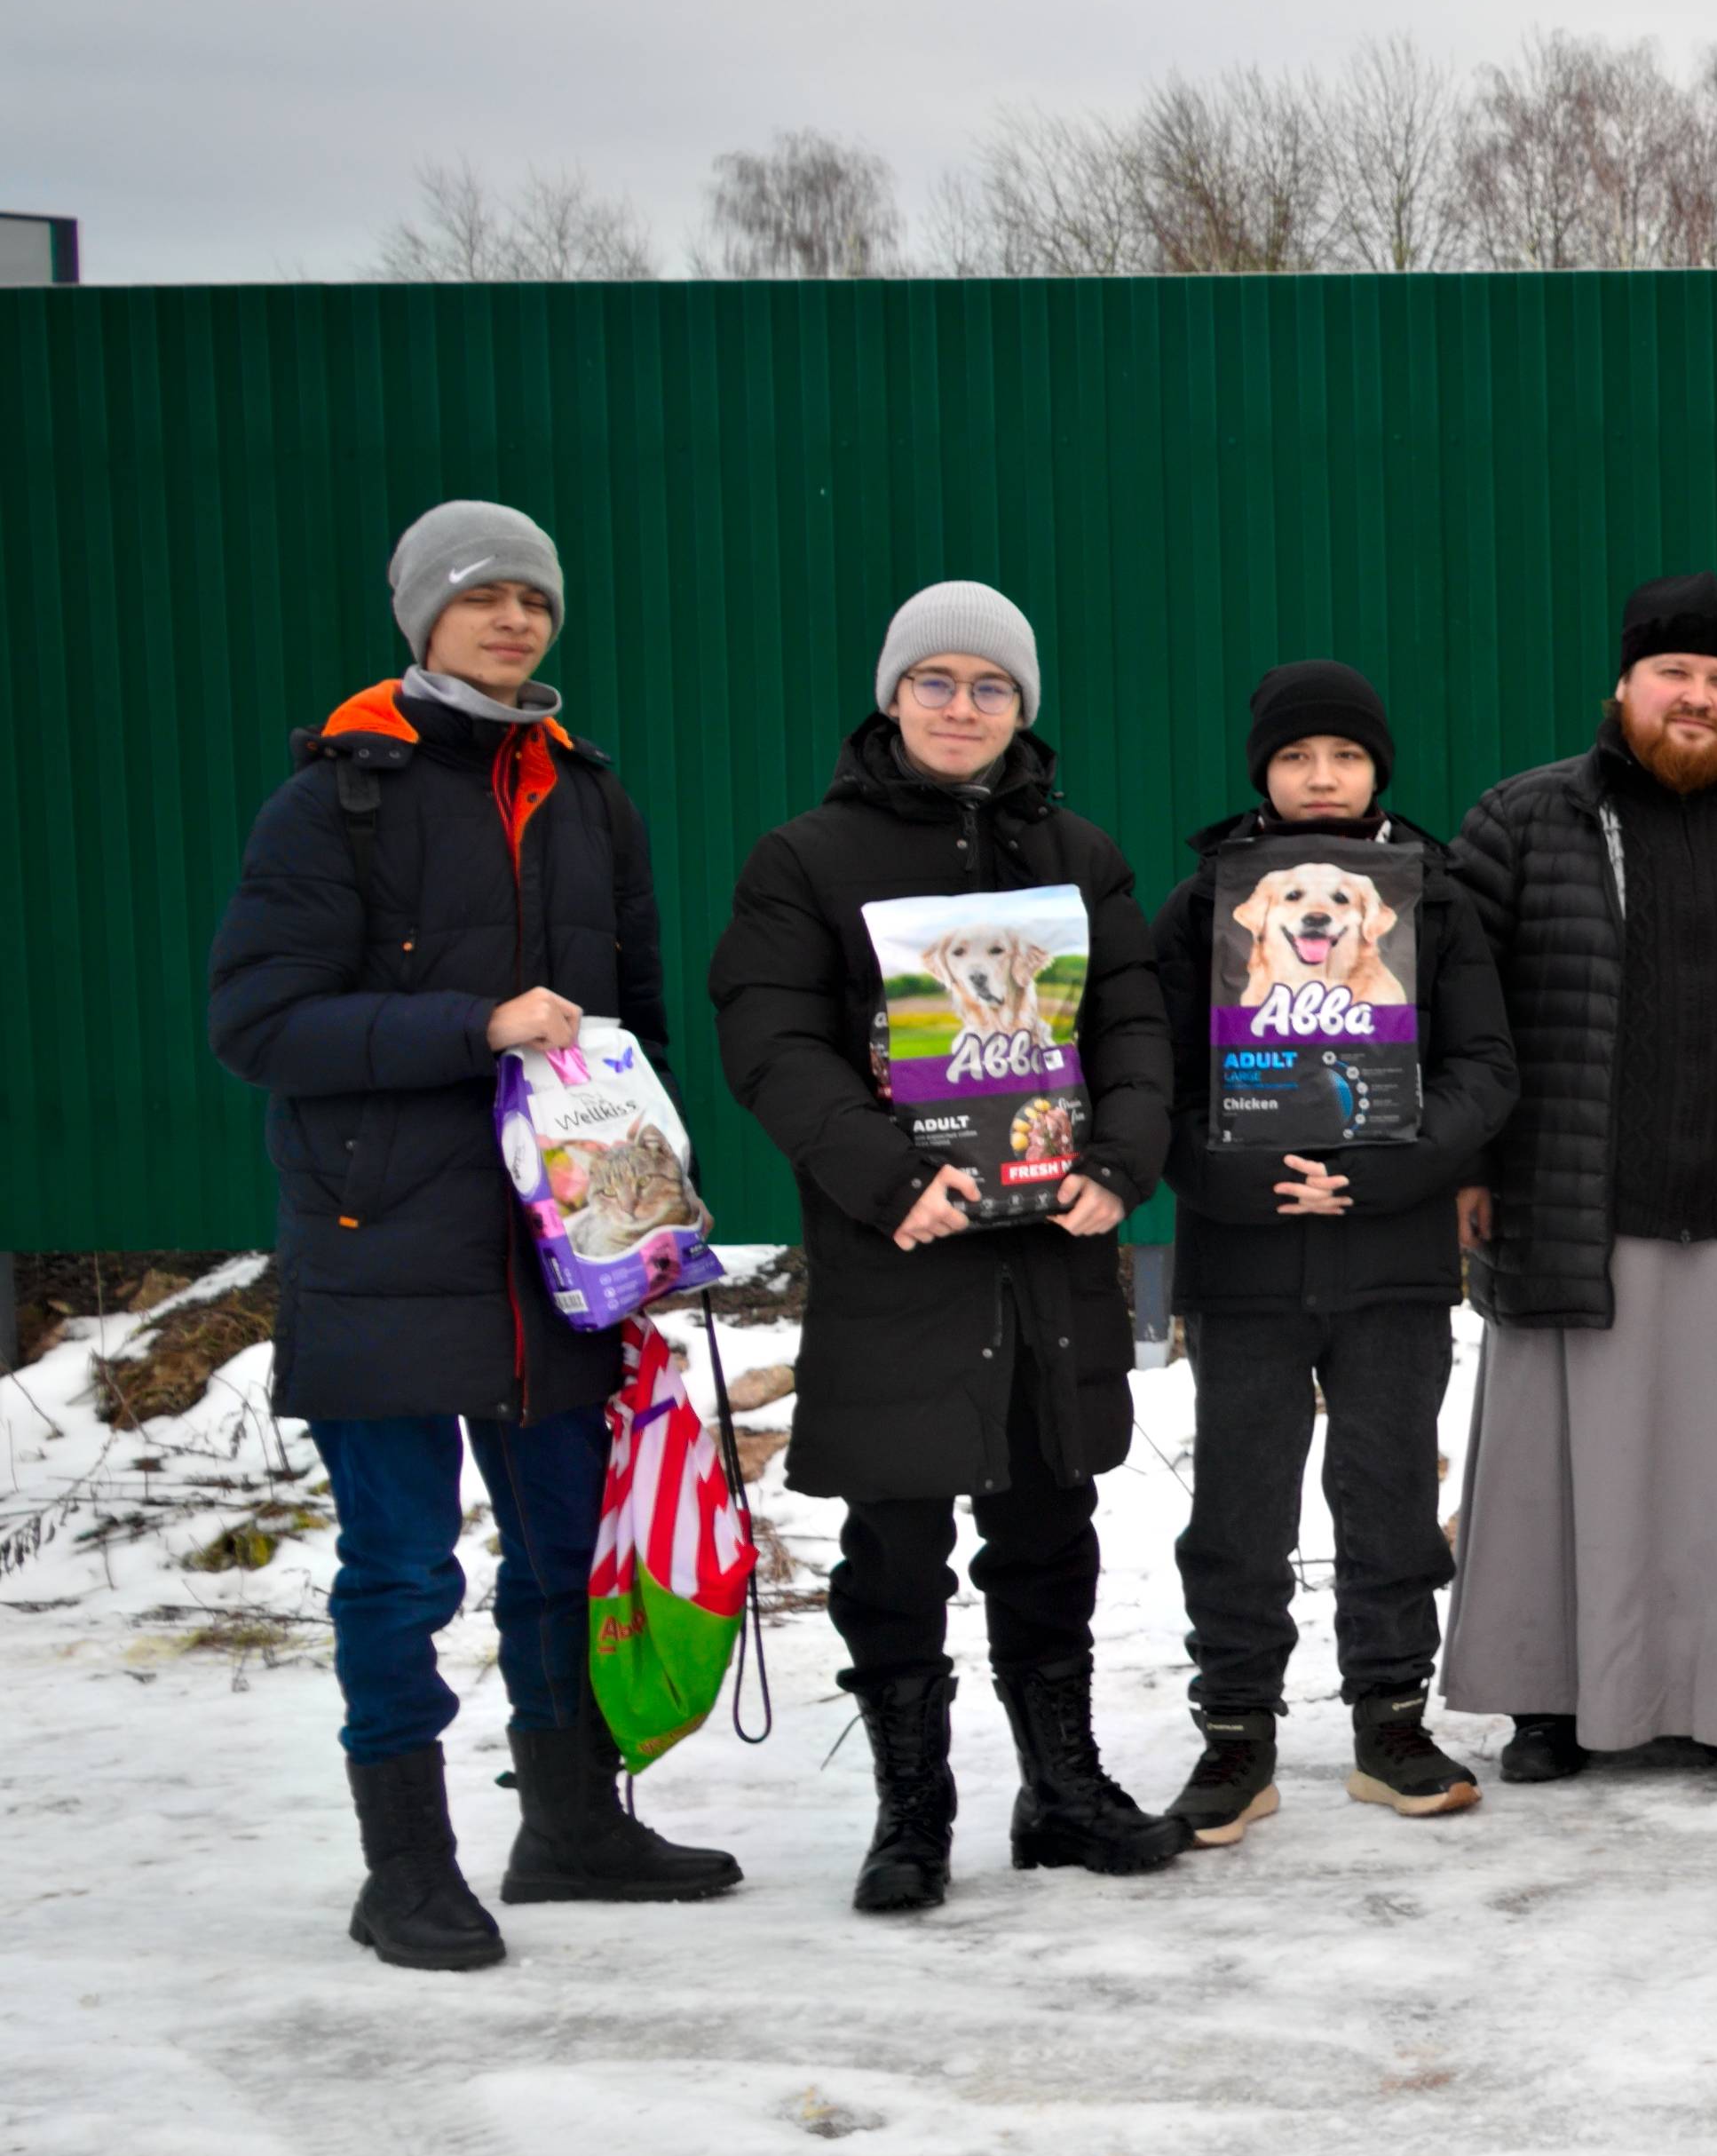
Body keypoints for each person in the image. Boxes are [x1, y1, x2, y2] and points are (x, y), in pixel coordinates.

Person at [206, 499, 740, 1970]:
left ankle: (569, 1823)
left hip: (558, 1252)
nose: (514, 618)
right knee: (401, 1569)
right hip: (381, 1241)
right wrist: (472, 1024)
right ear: (422, 615)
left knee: (563, 1547)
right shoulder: (336, 798)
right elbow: (259, 1022)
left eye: (535, 599)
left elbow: (632, 1015)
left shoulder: (587, 793)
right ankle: (406, 1865)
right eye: (482, 595)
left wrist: (654, 1199)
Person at [712, 580, 1189, 1911]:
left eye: (991, 686)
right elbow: (771, 1039)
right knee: (895, 1538)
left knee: (1050, 1523)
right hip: (901, 1249)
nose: (962, 706)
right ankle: (911, 1810)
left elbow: (1131, 1026)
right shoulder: (806, 858)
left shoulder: (1080, 855)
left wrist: (1120, 1163)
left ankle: (1063, 1790)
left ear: (1021, 707)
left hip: (1049, 1247)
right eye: (936, 680)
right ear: (894, 694)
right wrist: (885, 1179)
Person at [1443, 574, 1717, 1780]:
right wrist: (1468, 1160)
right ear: (1623, 686)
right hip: (1571, 1209)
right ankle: (1545, 1700)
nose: (1697, 697)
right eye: (1673, 674)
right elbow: (1460, 1011)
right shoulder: (1521, 822)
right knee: (1555, 1481)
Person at [1149, 660, 1520, 1839]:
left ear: (1378, 770)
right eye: (1298, 755)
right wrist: (1238, 1179)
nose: (1323, 776)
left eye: (1347, 755)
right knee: (1238, 1502)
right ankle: (1235, 1734)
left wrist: (1388, 1171)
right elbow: (1153, 1079)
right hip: (1243, 1260)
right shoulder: (1202, 904)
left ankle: (1390, 1721)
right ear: (1262, 769)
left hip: (1392, 1253)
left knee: (1391, 1491)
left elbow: (1484, 1069)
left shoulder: (1437, 902)